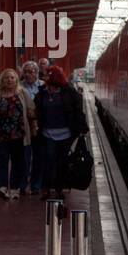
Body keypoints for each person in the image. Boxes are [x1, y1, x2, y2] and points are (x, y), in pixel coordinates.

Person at [0, 68, 36, 200]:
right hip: (1, 135)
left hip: (19, 135)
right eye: (6, 77)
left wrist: (33, 124)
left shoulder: (22, 93)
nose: (9, 80)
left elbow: (31, 109)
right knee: (2, 161)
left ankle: (14, 188)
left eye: (12, 77)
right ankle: (2, 187)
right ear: (2, 80)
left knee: (18, 162)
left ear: (16, 80)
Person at [35, 64, 88, 199]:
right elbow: (37, 110)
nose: (45, 76)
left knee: (62, 162)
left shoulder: (69, 92)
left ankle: (59, 188)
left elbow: (77, 111)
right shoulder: (42, 92)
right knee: (48, 161)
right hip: (47, 133)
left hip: (66, 133)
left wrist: (82, 128)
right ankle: (46, 188)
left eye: (48, 74)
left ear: (54, 76)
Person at [19, 61, 44, 195]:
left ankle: (36, 185)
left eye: (31, 71)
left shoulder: (43, 86)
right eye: (26, 72)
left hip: (39, 128)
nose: (28, 74)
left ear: (37, 73)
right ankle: (22, 185)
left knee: (38, 158)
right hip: (24, 128)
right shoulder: (18, 87)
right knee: (24, 158)